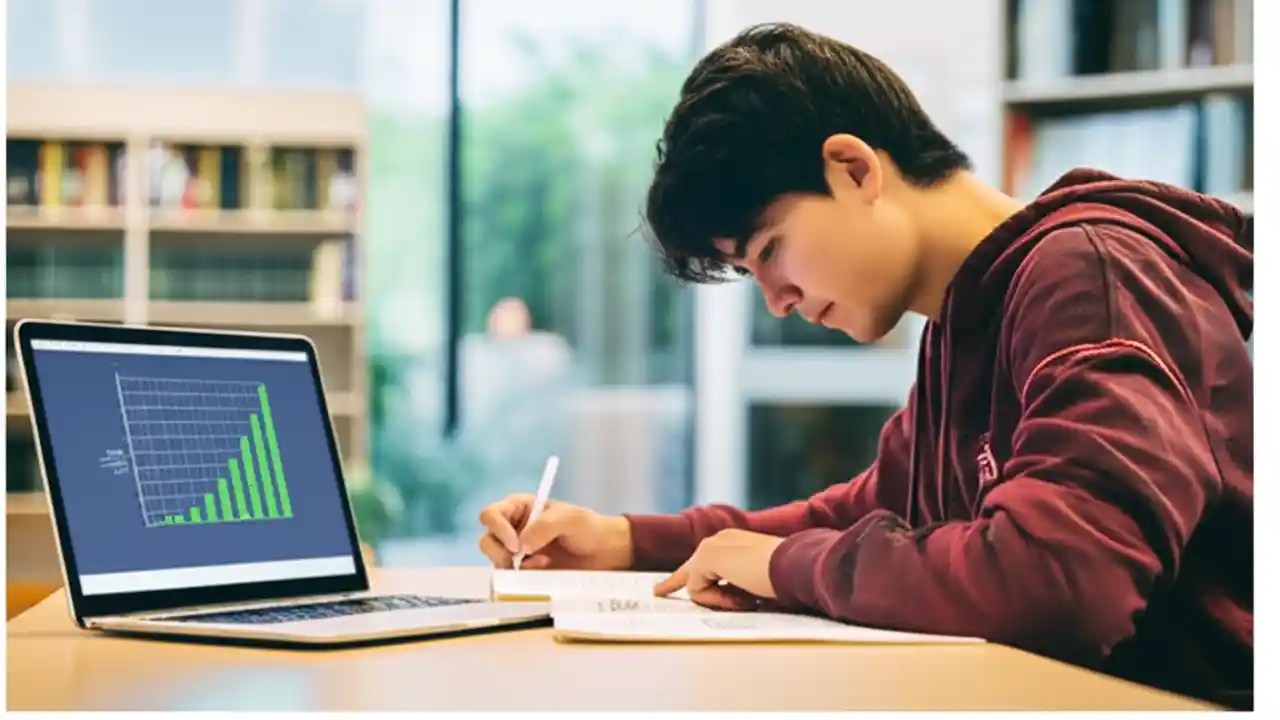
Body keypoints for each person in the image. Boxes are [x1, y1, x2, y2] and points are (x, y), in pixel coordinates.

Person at [476, 23, 1252, 707]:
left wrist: (785, 568)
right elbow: (867, 512)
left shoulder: (1088, 273)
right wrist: (627, 540)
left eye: (770, 250)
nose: (776, 301)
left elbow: (1061, 581)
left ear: (853, 169)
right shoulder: (966, 322)